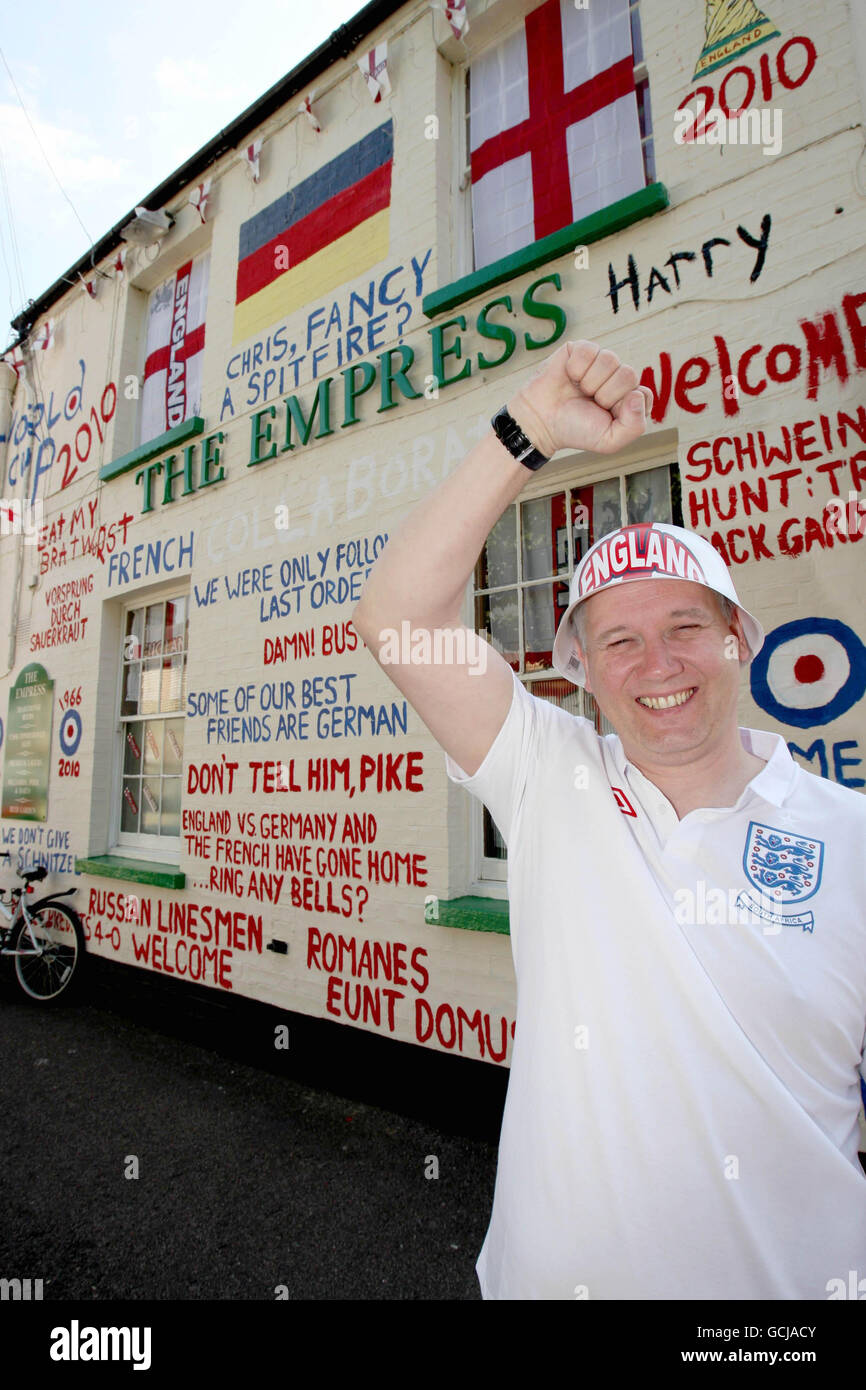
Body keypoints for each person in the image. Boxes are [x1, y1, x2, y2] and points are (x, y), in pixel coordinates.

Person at [352, 339, 866, 1300]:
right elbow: (396, 612)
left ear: (737, 642)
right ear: (581, 670)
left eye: (684, 630)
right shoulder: (552, 775)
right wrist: (531, 432)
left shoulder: (852, 837)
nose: (656, 666)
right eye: (619, 641)